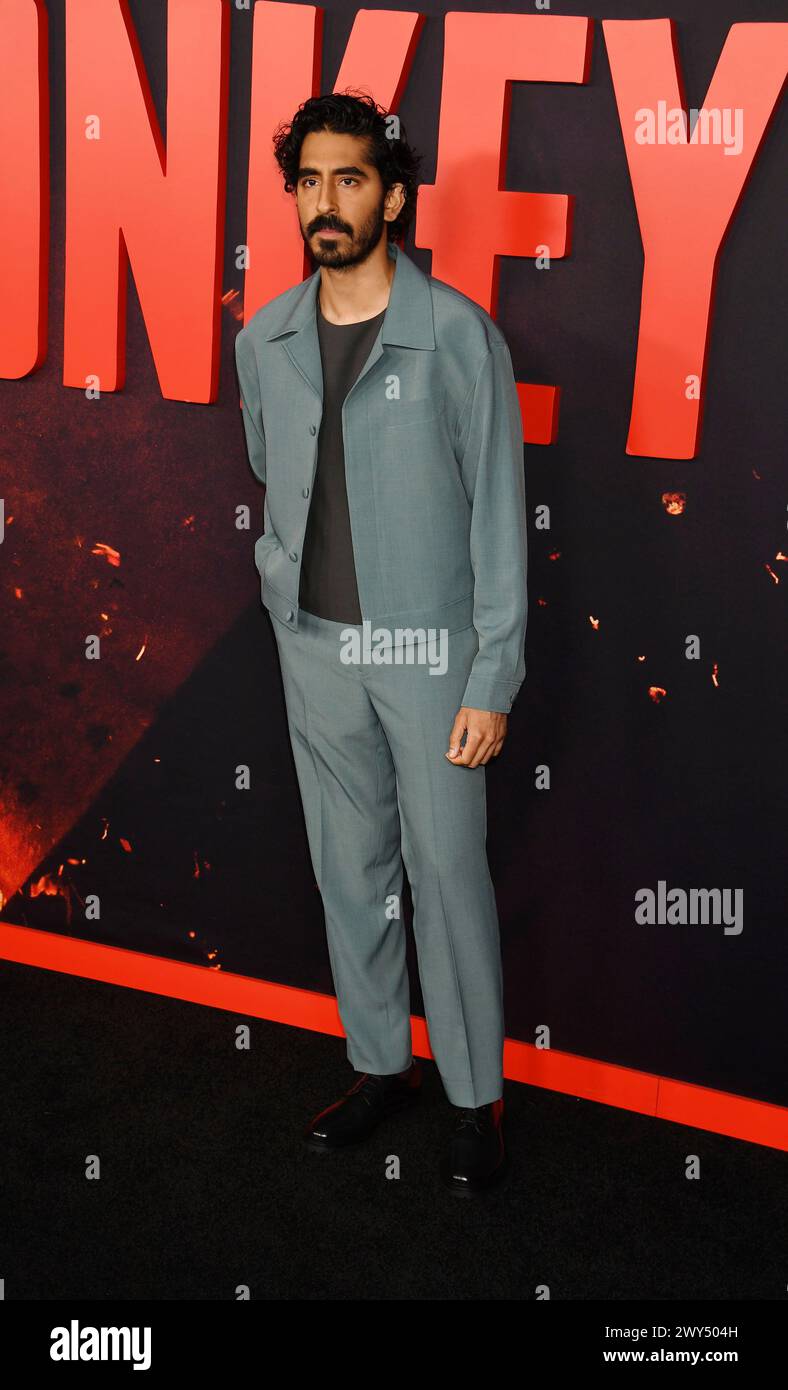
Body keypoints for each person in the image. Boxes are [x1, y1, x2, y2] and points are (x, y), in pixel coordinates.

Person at [234, 92, 527, 1196]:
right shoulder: (261, 335)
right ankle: (376, 1066)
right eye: (307, 180)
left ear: (392, 195)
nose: (325, 201)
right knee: (346, 869)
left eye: (348, 179)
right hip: (314, 649)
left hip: (432, 656)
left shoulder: (458, 336)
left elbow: (497, 515)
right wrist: (278, 587)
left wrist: (491, 673)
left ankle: (471, 1097)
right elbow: (275, 470)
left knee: (444, 871)